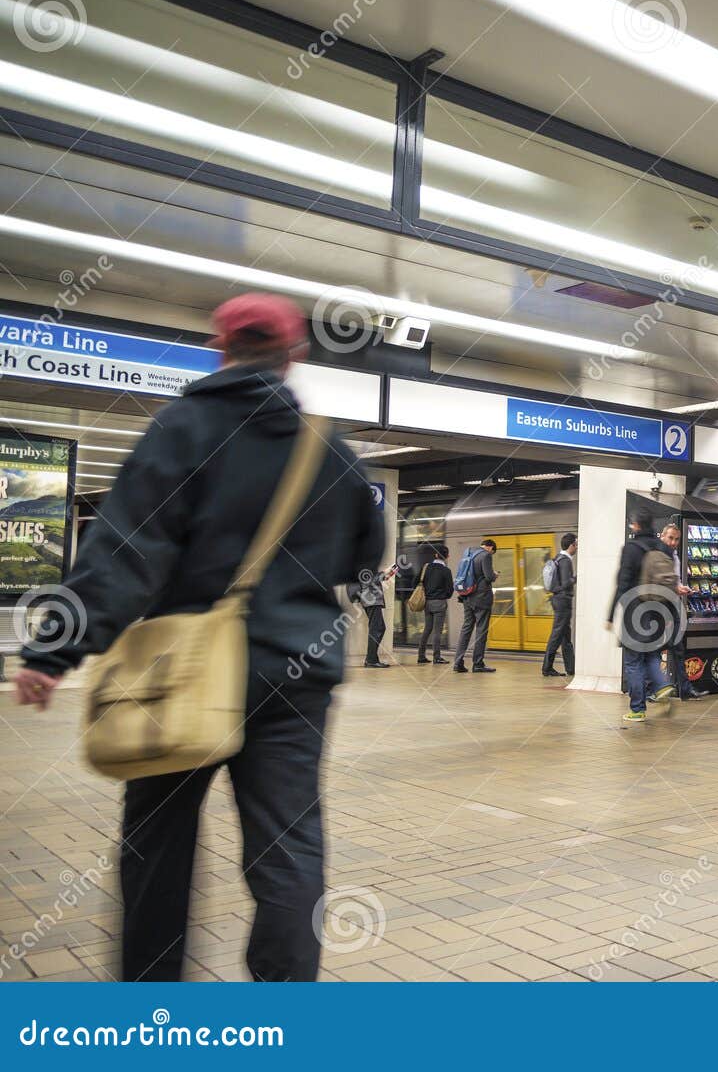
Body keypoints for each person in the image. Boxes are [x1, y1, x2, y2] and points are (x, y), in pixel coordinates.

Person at [12, 292, 385, 981]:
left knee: (157, 847)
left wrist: (53, 651)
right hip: (295, 673)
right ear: (292, 356)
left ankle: (155, 1011)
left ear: (220, 350)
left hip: (182, 672)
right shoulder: (328, 447)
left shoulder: (180, 428)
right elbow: (369, 549)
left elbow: (124, 550)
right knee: (290, 851)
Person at [608, 508, 682, 721]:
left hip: (635, 612)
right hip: (659, 612)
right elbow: (671, 584)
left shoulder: (631, 548)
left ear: (636, 525)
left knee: (633, 661)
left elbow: (622, 583)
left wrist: (611, 613)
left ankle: (637, 709)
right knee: (651, 655)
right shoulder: (663, 548)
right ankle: (662, 685)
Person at [660, 522, 708, 700]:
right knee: (656, 650)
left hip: (672, 605)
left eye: (677, 539)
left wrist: (681, 588)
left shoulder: (674, 557)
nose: (673, 542)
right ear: (662, 536)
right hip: (659, 607)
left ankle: (685, 689)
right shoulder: (656, 556)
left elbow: (673, 582)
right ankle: (652, 689)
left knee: (678, 648)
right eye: (670, 538)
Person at [453, 538, 498, 673]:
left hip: (467, 596)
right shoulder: (486, 555)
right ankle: (478, 663)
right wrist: (495, 575)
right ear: (490, 548)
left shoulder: (468, 553)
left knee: (466, 629)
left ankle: (458, 662)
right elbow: (489, 577)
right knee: (481, 630)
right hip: (481, 598)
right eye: (493, 552)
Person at [541, 532, 577, 677]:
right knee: (557, 634)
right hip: (563, 600)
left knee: (565, 636)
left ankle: (571, 668)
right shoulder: (565, 561)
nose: (577, 547)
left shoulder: (557, 558)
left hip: (558, 599)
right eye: (576, 544)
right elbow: (565, 582)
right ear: (571, 545)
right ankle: (547, 667)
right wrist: (576, 578)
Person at [350, 564, 395, 668]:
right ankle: (371, 660)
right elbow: (370, 580)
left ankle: (372, 658)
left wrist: (387, 575)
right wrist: (385, 571)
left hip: (372, 600)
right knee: (376, 629)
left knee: (379, 628)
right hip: (371, 600)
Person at [416, 544, 453, 664]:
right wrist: (443, 596)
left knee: (427, 629)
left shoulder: (426, 567)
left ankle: (421, 656)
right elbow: (450, 590)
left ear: (436, 555)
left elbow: (415, 582)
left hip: (427, 603)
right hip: (439, 603)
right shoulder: (446, 571)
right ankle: (437, 657)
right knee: (437, 631)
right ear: (447, 556)